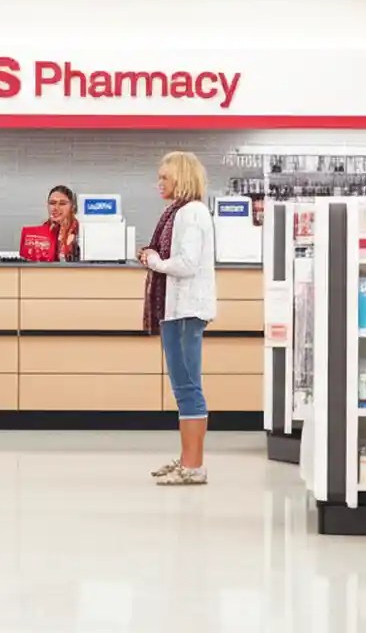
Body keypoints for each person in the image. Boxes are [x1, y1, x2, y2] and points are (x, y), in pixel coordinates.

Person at [138, 151, 217, 486]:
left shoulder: (193, 213)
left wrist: (154, 261)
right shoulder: (179, 213)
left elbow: (187, 263)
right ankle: (187, 459)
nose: (159, 183)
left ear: (181, 179)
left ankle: (194, 466)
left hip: (185, 310)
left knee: (187, 388)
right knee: (182, 387)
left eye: (164, 178)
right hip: (175, 310)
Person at [46, 185, 80, 262]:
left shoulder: (80, 230)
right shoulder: (44, 229)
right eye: (52, 203)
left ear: (72, 206)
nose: (56, 208)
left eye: (62, 203)